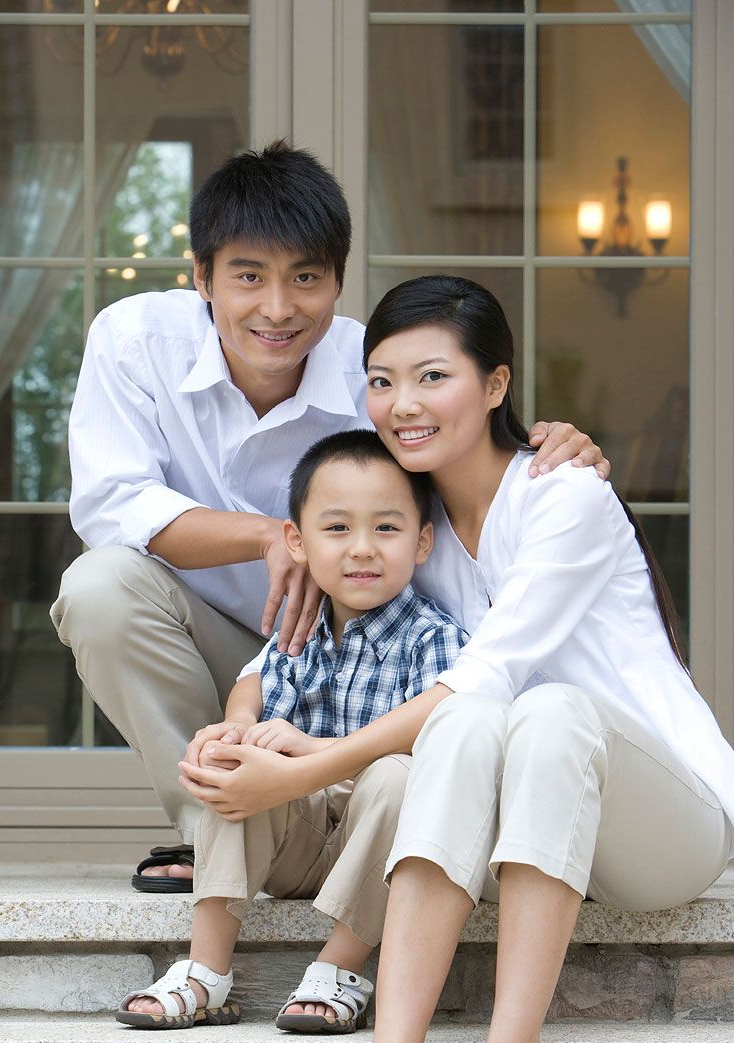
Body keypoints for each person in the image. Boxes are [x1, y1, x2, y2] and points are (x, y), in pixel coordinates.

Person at [176, 275, 734, 1043]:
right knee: (473, 720)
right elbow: (369, 666)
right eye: (382, 381)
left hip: (659, 832)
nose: (403, 404)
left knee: (531, 704)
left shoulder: (565, 498)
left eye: (432, 376)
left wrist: (311, 769)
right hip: (537, 835)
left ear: (497, 386)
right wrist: (250, 731)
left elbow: (483, 670)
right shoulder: (414, 533)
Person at [49, 142, 607, 892]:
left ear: (338, 282)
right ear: (200, 276)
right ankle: (219, 828)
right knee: (99, 588)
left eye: (305, 278)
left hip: (357, 655)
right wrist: (267, 539)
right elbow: (112, 505)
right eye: (248, 276)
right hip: (214, 643)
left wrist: (547, 439)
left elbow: (458, 439)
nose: (277, 309)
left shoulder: (370, 372)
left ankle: (360, 835)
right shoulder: (134, 340)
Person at [115, 429, 466, 1033]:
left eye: (386, 528)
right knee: (234, 757)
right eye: (337, 529)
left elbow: (441, 743)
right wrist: (237, 727)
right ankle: (207, 970)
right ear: (296, 543)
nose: (362, 549)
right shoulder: (299, 629)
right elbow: (254, 683)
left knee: (397, 775)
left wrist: (315, 750)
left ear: (423, 540)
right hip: (298, 848)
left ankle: (341, 967)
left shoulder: (433, 638)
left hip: (380, 853)